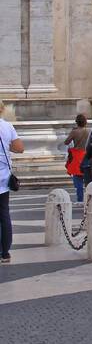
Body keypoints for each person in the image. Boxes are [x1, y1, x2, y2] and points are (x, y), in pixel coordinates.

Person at [0, 104, 25, 265]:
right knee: (4, 214)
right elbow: (19, 148)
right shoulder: (7, 126)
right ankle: (5, 253)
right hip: (3, 177)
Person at [64, 113, 89, 203]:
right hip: (87, 156)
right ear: (85, 122)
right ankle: (90, 199)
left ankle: (80, 199)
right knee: (88, 180)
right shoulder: (89, 131)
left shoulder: (74, 132)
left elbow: (66, 142)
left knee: (78, 180)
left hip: (77, 156)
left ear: (77, 122)